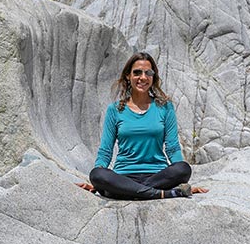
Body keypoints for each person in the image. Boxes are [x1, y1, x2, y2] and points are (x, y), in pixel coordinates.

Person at [77, 52, 207, 200]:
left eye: (148, 73)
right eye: (137, 72)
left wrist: (182, 178)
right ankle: (161, 193)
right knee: (97, 174)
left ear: (153, 76)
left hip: (158, 176)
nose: (143, 77)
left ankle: (129, 192)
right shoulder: (115, 110)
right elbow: (106, 151)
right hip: (124, 175)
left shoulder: (165, 107)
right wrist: (97, 179)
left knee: (183, 169)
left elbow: (172, 148)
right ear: (128, 76)